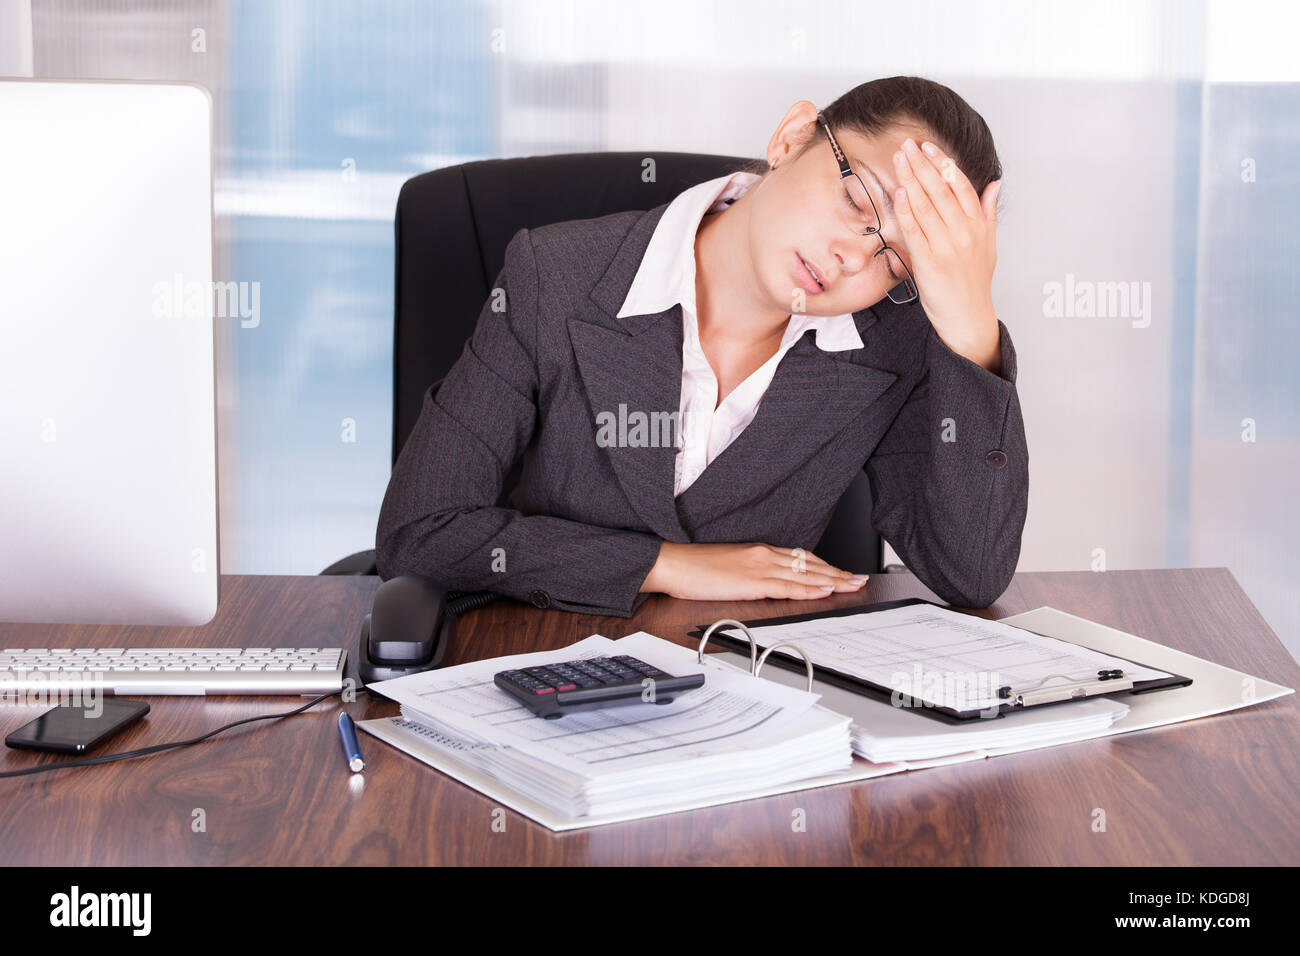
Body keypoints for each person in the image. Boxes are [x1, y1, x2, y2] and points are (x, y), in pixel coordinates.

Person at [376, 76, 1028, 617]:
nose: (852, 257)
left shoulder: (894, 342)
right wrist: (668, 567)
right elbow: (421, 531)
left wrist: (972, 328)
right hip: (541, 664)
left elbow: (968, 574)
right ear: (793, 137)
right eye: (858, 199)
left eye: (895, 260)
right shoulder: (553, 275)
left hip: (756, 698)